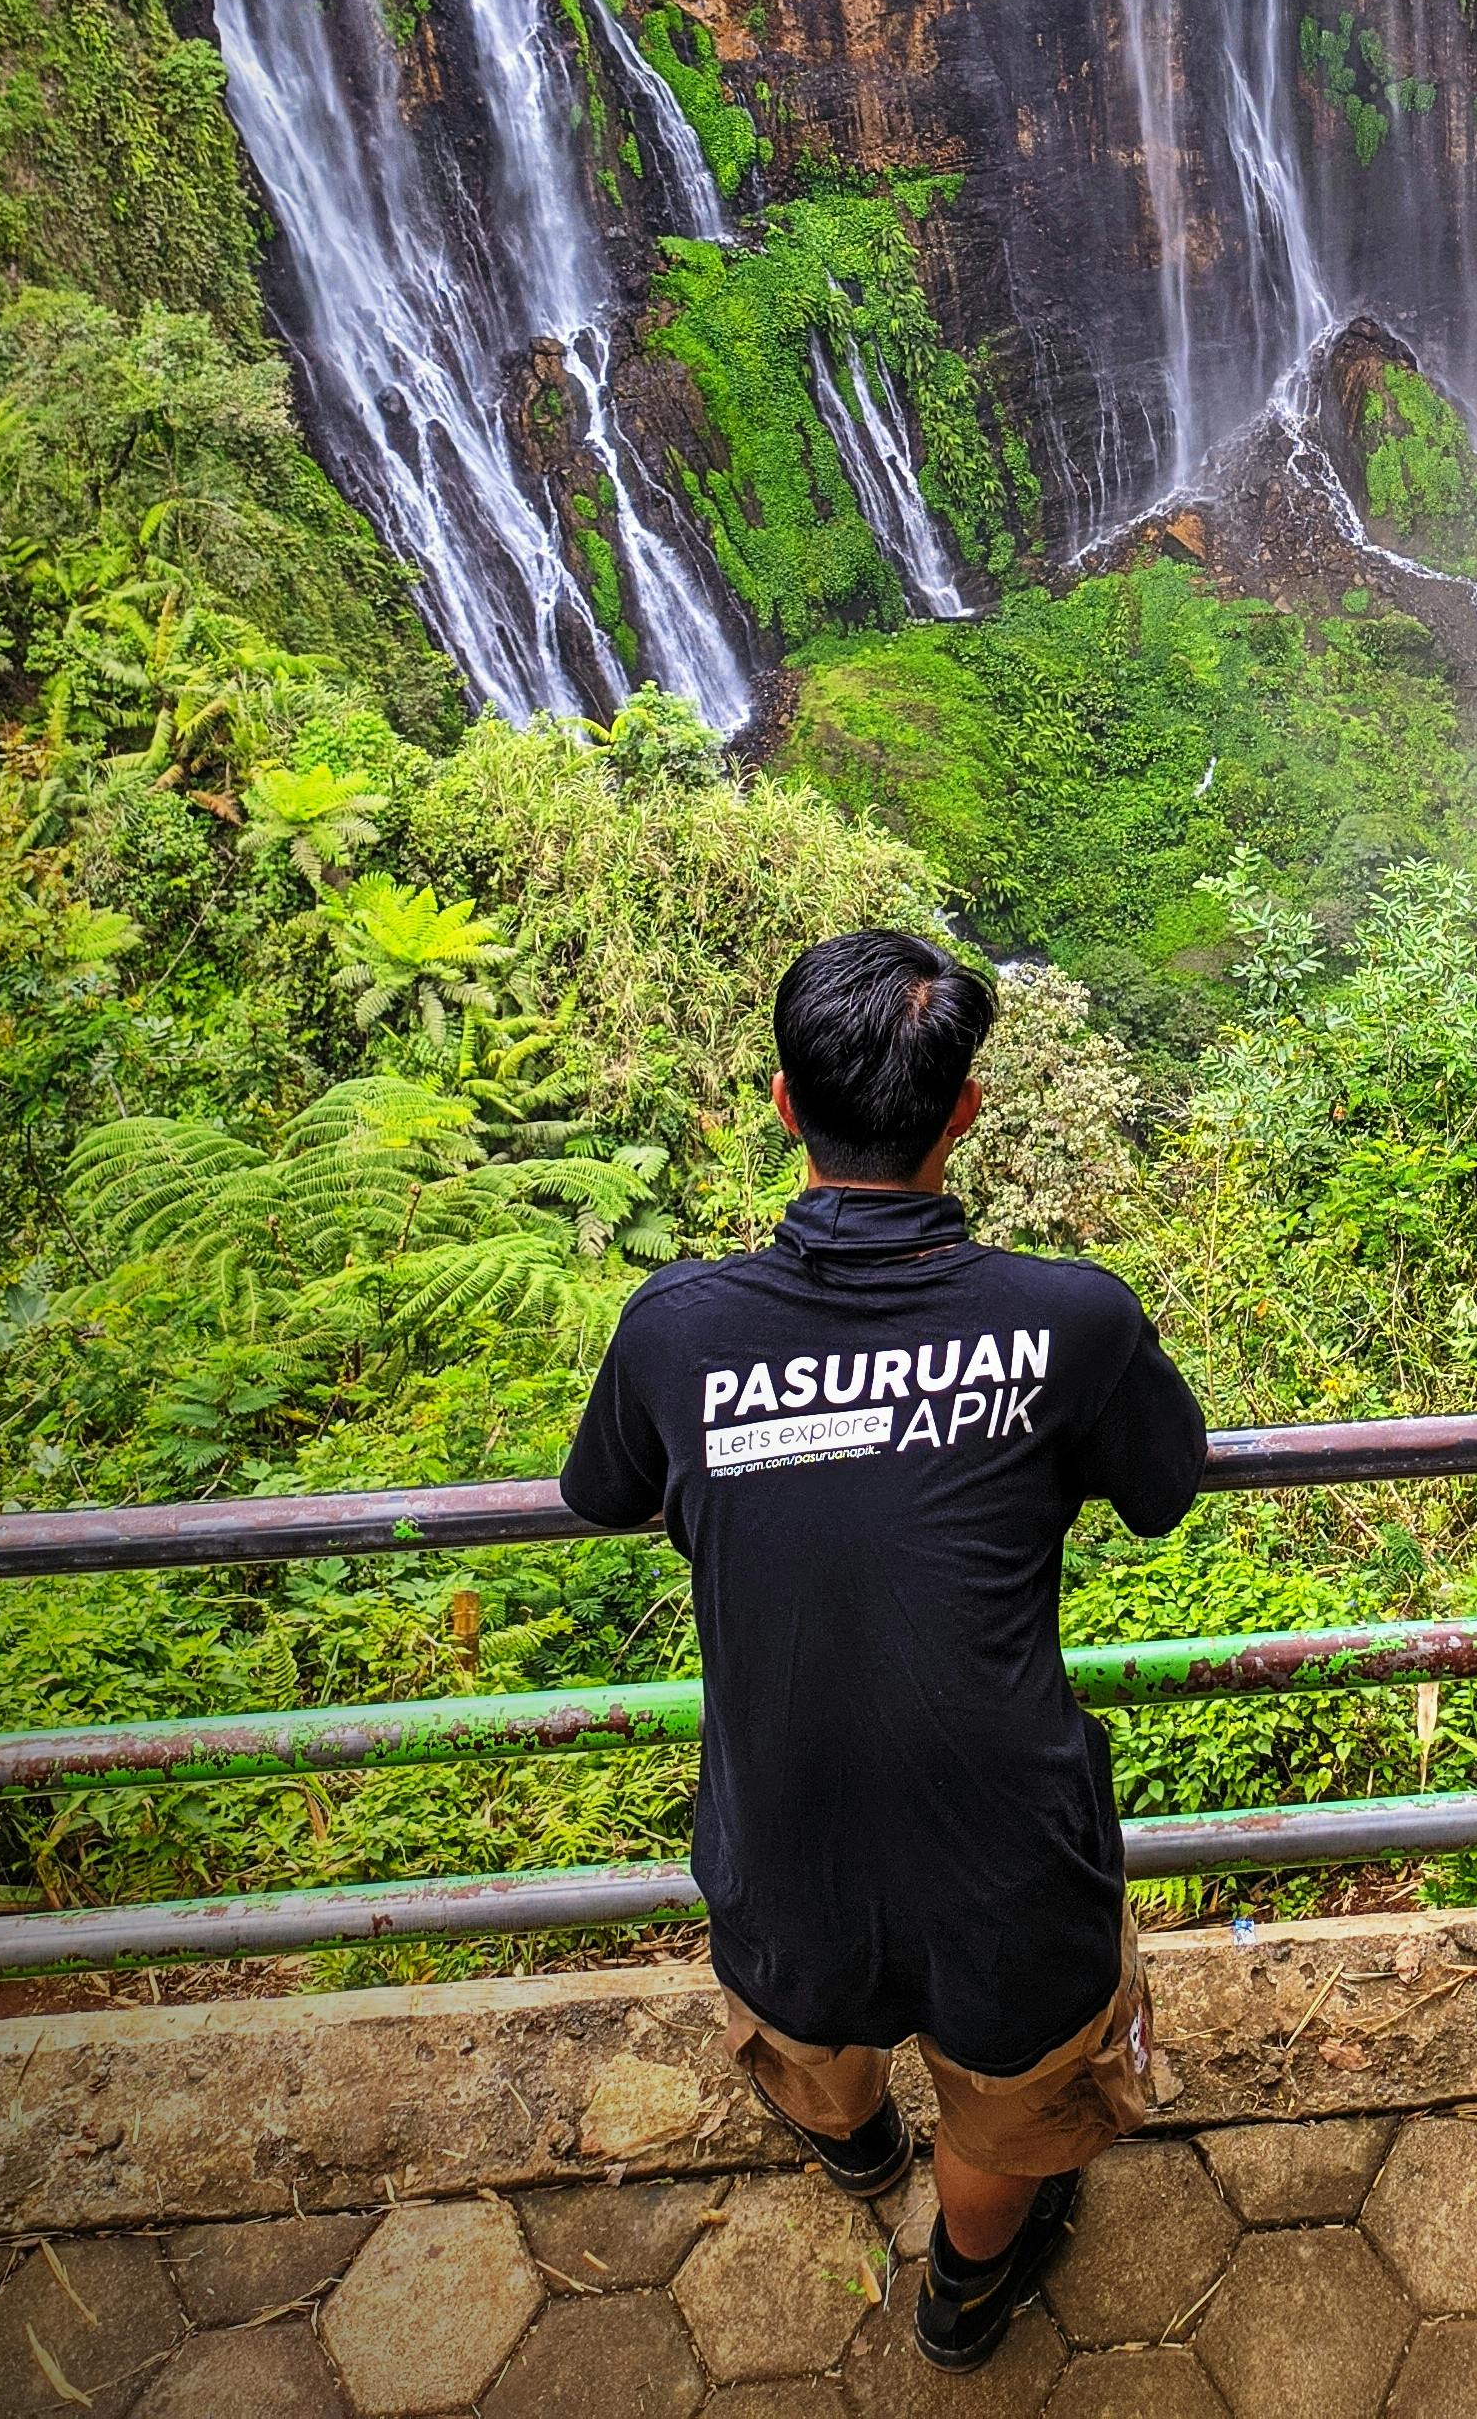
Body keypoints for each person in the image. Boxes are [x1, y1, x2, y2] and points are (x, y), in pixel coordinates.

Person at [559, 925, 1209, 2372]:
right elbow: (1163, 1492)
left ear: (784, 1106)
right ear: (965, 1109)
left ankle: (859, 2166)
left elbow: (600, 1491)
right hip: (1006, 1845)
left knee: (814, 2038)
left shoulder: (675, 1328)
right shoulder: (1071, 1319)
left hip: (782, 1832)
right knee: (1016, 2101)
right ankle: (967, 2291)